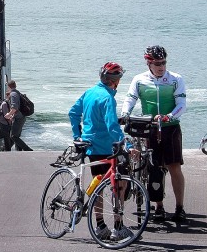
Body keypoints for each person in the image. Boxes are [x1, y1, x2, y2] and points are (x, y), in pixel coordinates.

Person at [121, 45, 187, 222]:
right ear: (149, 63)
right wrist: (125, 114)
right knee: (154, 167)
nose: (161, 66)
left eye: (164, 62)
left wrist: (170, 116)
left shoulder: (175, 79)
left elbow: (182, 104)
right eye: (157, 63)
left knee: (174, 168)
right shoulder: (139, 79)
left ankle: (180, 207)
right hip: (149, 128)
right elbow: (130, 99)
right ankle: (159, 206)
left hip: (170, 127)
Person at [68, 62, 133, 241]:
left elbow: (73, 113)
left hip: (90, 146)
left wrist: (77, 134)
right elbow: (112, 125)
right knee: (119, 185)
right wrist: (125, 145)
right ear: (116, 81)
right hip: (106, 147)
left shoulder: (89, 92)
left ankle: (100, 226)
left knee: (98, 184)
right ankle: (118, 227)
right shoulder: (107, 98)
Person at [6, 80, 33, 151]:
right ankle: (17, 150)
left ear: (8, 87)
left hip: (19, 118)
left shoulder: (13, 94)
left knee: (13, 136)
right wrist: (12, 116)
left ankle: (28, 149)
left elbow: (14, 107)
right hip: (21, 117)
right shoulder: (17, 92)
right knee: (16, 135)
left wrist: (9, 114)